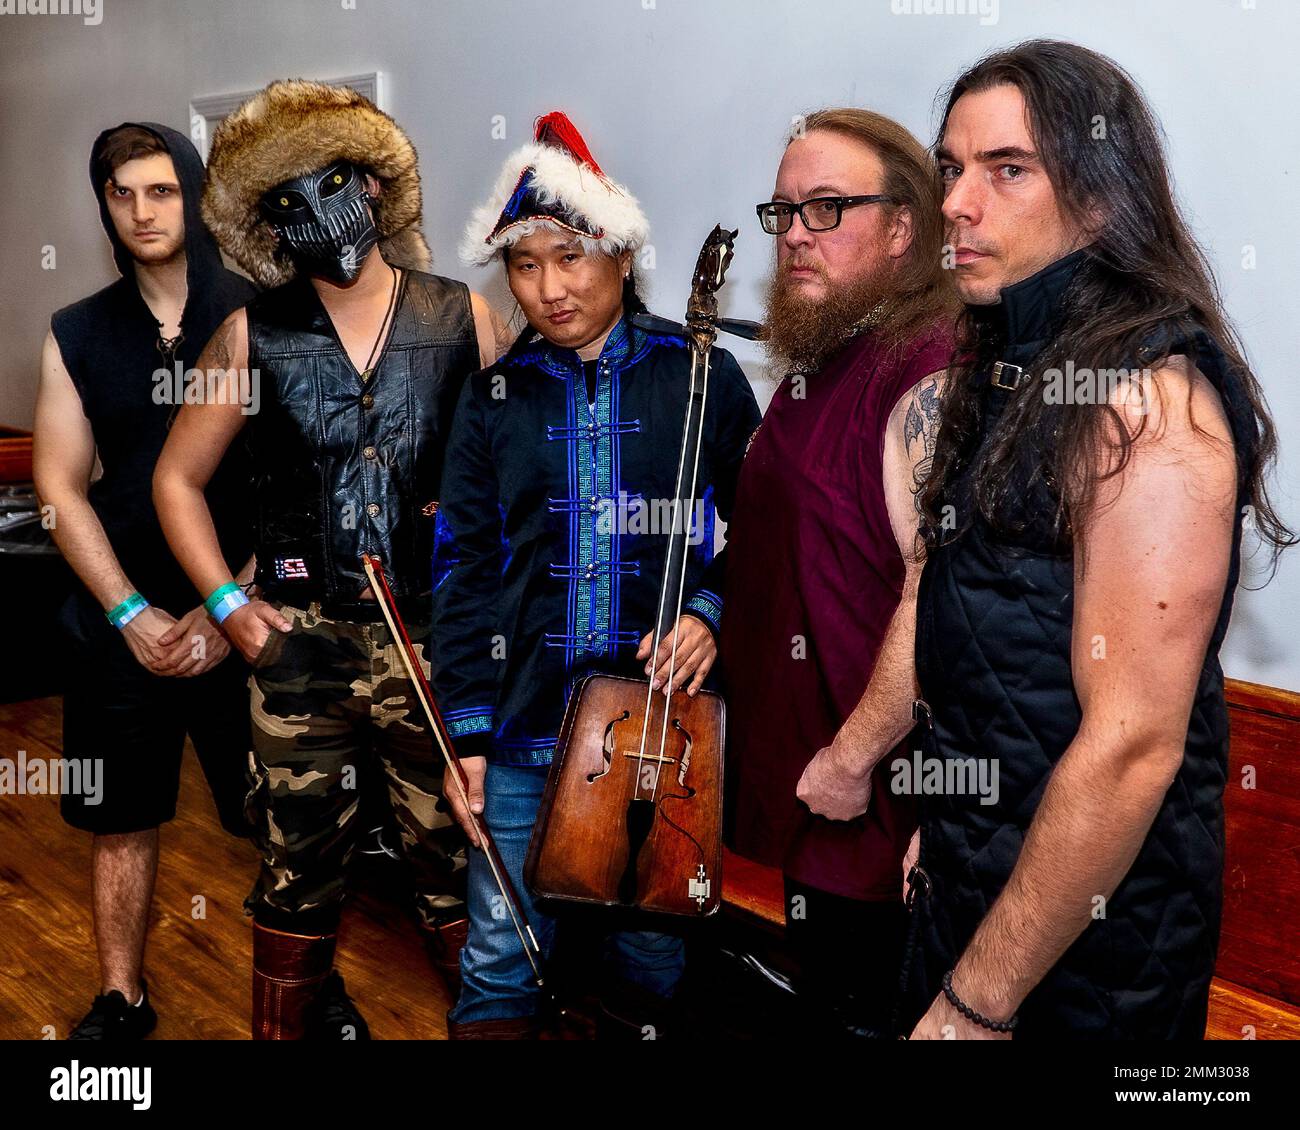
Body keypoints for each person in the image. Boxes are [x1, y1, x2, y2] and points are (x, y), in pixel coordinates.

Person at [903, 39, 1293, 1039]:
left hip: (1087, 962)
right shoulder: (1014, 360)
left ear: (1100, 196)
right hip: (982, 891)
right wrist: (948, 834)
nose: (955, 201)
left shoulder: (1148, 401)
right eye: (951, 168)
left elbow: (1128, 748)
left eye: (1006, 169)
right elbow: (994, 659)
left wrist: (972, 1000)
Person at [153, 79, 506, 1039]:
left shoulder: (463, 317)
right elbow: (175, 480)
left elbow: (505, 491)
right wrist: (228, 603)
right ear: (267, 223)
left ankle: (480, 1025)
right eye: (289, 197)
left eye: (336, 180)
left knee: (453, 862)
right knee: (295, 875)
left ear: (377, 183)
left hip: (434, 648)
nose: (320, 211)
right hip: (298, 653)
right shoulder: (250, 333)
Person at [434, 111, 761, 1038]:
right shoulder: (493, 396)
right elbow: (462, 569)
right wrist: (465, 735)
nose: (549, 287)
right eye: (524, 264)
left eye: (571, 256)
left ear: (619, 250)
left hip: (659, 726)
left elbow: (769, 531)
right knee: (499, 962)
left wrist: (708, 607)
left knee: (650, 956)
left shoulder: (701, 377)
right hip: (523, 720)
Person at [720, 108, 956, 1038]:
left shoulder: (928, 365)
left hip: (869, 803)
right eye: (783, 214)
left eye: (827, 210)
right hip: (808, 788)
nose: (794, 238)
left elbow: (940, 597)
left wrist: (856, 758)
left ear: (903, 228)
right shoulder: (826, 356)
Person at [33, 121, 258, 1040]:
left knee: (287, 818)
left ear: (196, 196)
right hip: (121, 617)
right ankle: (120, 998)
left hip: (248, 610)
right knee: (120, 816)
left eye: (161, 190)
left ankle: (310, 985)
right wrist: (128, 610)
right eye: (121, 194)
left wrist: (227, 604)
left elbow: (304, 486)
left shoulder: (261, 315)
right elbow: (57, 485)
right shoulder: (77, 332)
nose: (141, 211)